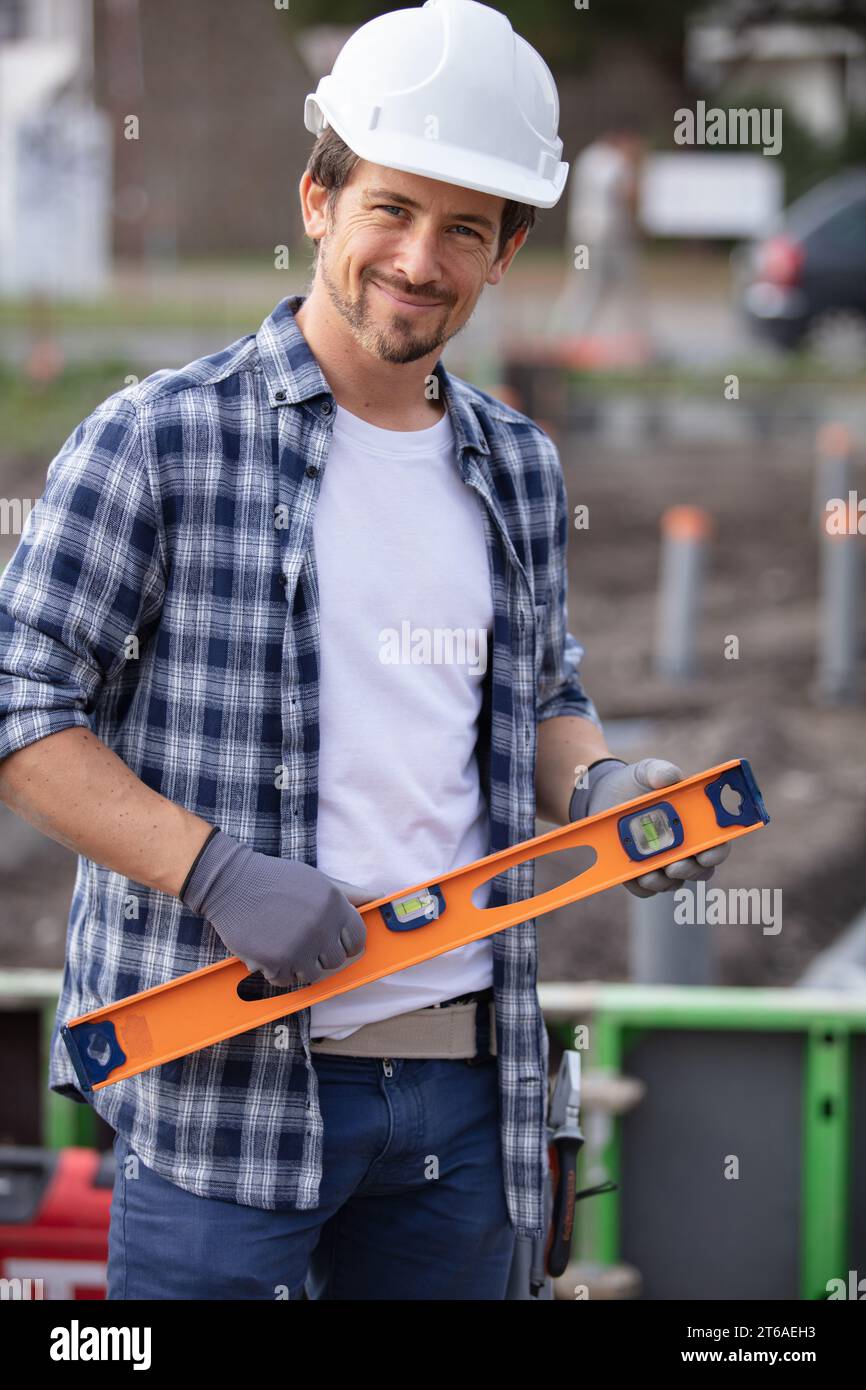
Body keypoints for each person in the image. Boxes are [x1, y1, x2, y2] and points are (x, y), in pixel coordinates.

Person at [0, 0, 728, 1300]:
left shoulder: (514, 464)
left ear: (506, 253)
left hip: (462, 1094)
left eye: (464, 228)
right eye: (390, 208)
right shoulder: (158, 442)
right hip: (228, 1091)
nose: (417, 257)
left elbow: (543, 694)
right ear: (319, 198)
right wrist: (213, 868)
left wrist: (606, 786)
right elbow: (20, 709)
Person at [550, 129, 651, 348]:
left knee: (584, 284)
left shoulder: (589, 157)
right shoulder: (616, 162)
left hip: (582, 233)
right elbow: (627, 193)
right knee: (622, 286)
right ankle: (639, 340)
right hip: (607, 238)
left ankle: (564, 334)